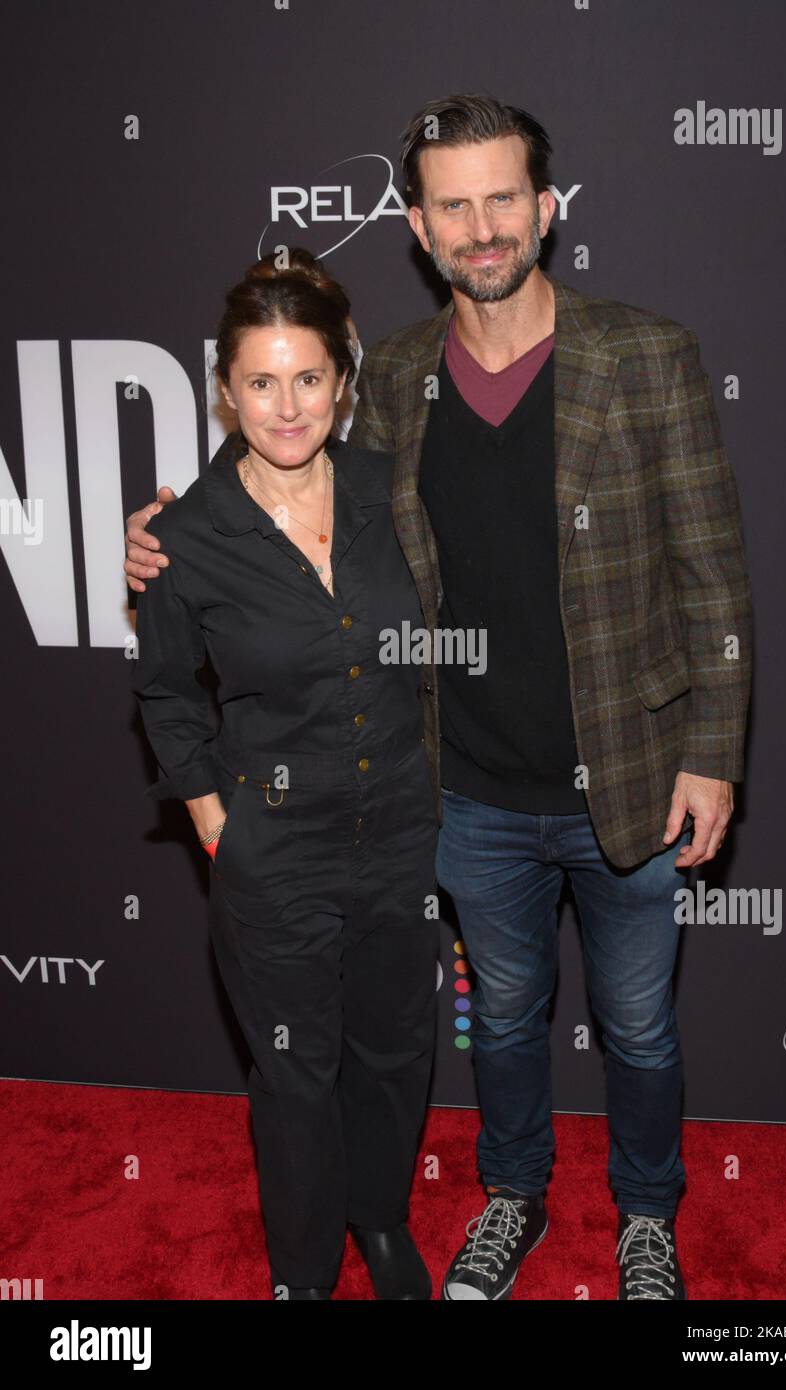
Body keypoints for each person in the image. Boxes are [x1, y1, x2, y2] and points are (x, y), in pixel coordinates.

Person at [126, 93, 754, 1302]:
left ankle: (647, 1220)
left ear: (547, 208)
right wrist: (164, 535)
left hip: (627, 776)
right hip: (464, 791)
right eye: (452, 204)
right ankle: (512, 1197)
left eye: (502, 197)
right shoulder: (400, 381)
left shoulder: (646, 353)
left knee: (639, 1029)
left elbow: (714, 574)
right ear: (415, 227)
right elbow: (269, 459)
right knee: (503, 1028)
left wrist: (714, 750)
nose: (480, 227)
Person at [128, 249, 440, 1300]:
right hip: (275, 852)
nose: (287, 405)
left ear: (342, 381)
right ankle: (302, 1274)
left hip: (401, 828)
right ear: (225, 389)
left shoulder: (390, 485)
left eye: (307, 378)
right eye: (261, 381)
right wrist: (219, 826)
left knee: (396, 1052)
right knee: (297, 1075)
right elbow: (167, 693)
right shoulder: (182, 540)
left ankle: (382, 1218)